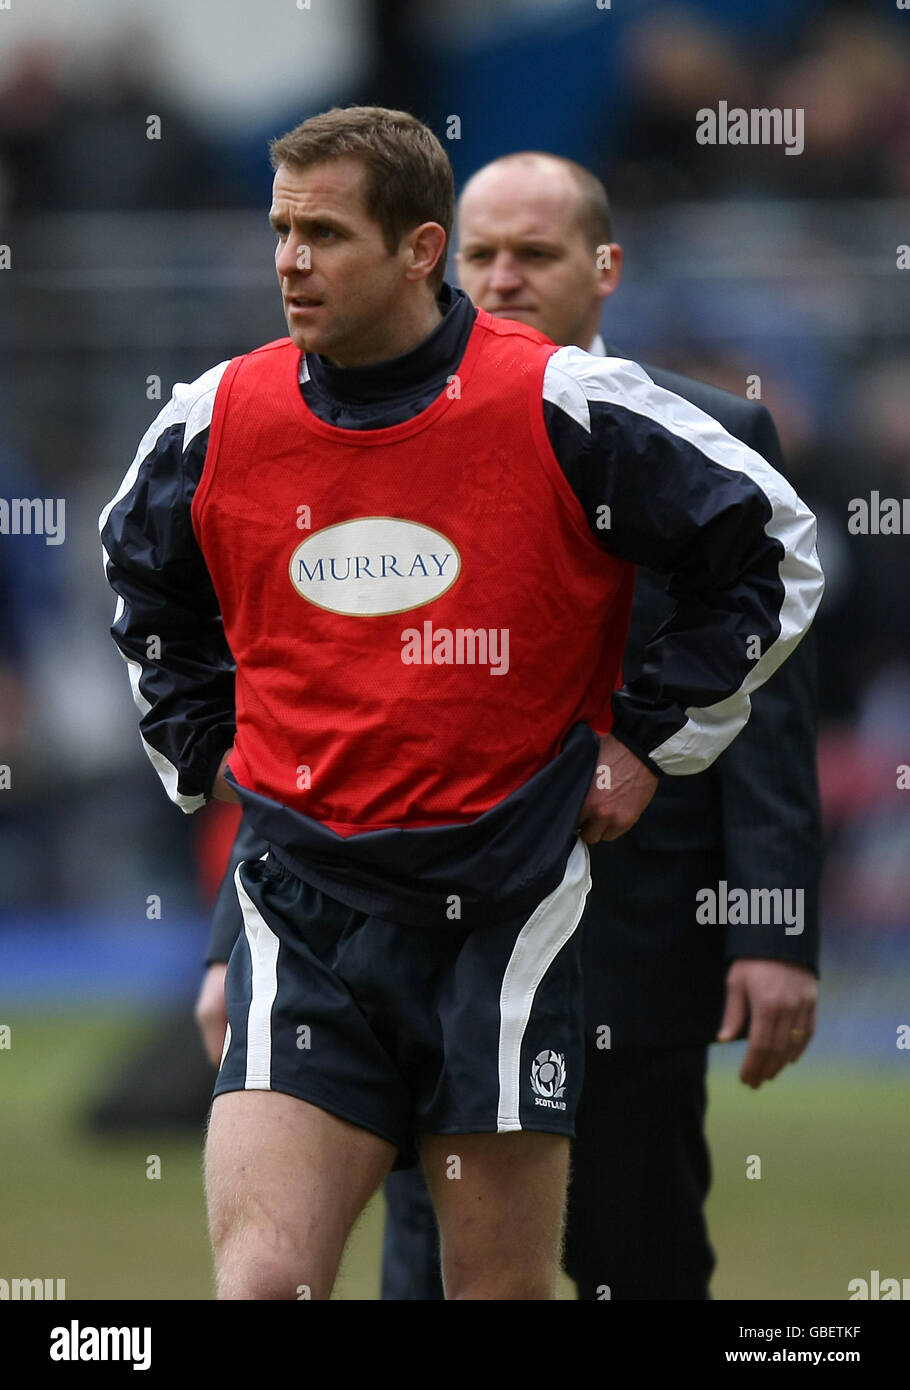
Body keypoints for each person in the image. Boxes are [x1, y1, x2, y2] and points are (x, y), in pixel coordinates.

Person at [101, 108, 823, 1301]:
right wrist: (209, 750)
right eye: (280, 230)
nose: (288, 259)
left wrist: (649, 745)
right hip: (303, 903)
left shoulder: (582, 409)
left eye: (323, 233)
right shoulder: (216, 415)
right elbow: (140, 579)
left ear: (412, 249)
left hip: (517, 908)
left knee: (517, 1286)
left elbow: (776, 560)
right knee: (265, 1281)